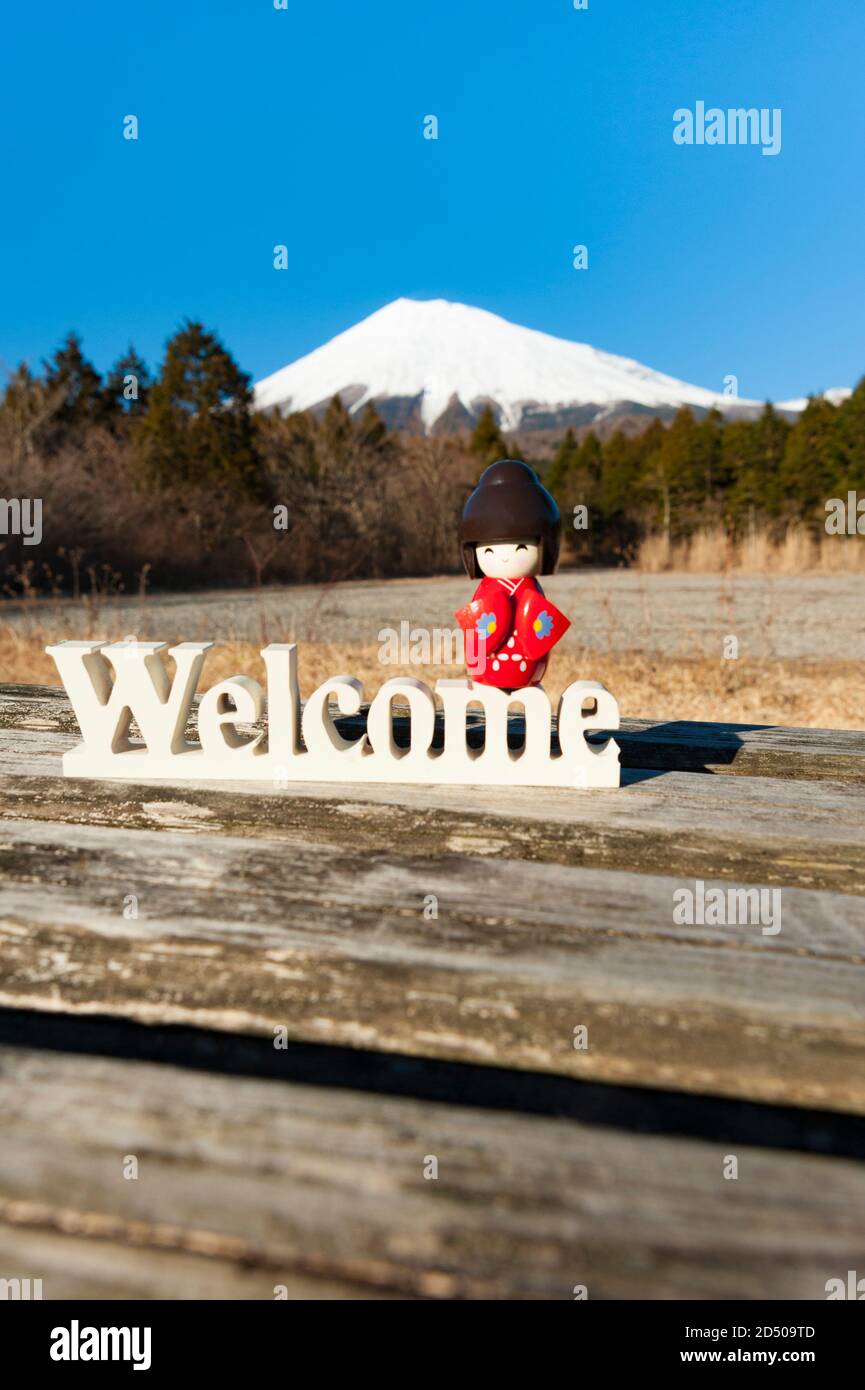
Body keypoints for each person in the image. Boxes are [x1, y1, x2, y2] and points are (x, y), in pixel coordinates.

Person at [454, 459, 570, 689]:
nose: (505, 557)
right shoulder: (487, 587)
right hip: (486, 668)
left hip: (528, 666)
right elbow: (476, 632)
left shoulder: (530, 587)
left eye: (521, 548)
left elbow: (539, 629)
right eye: (488, 549)